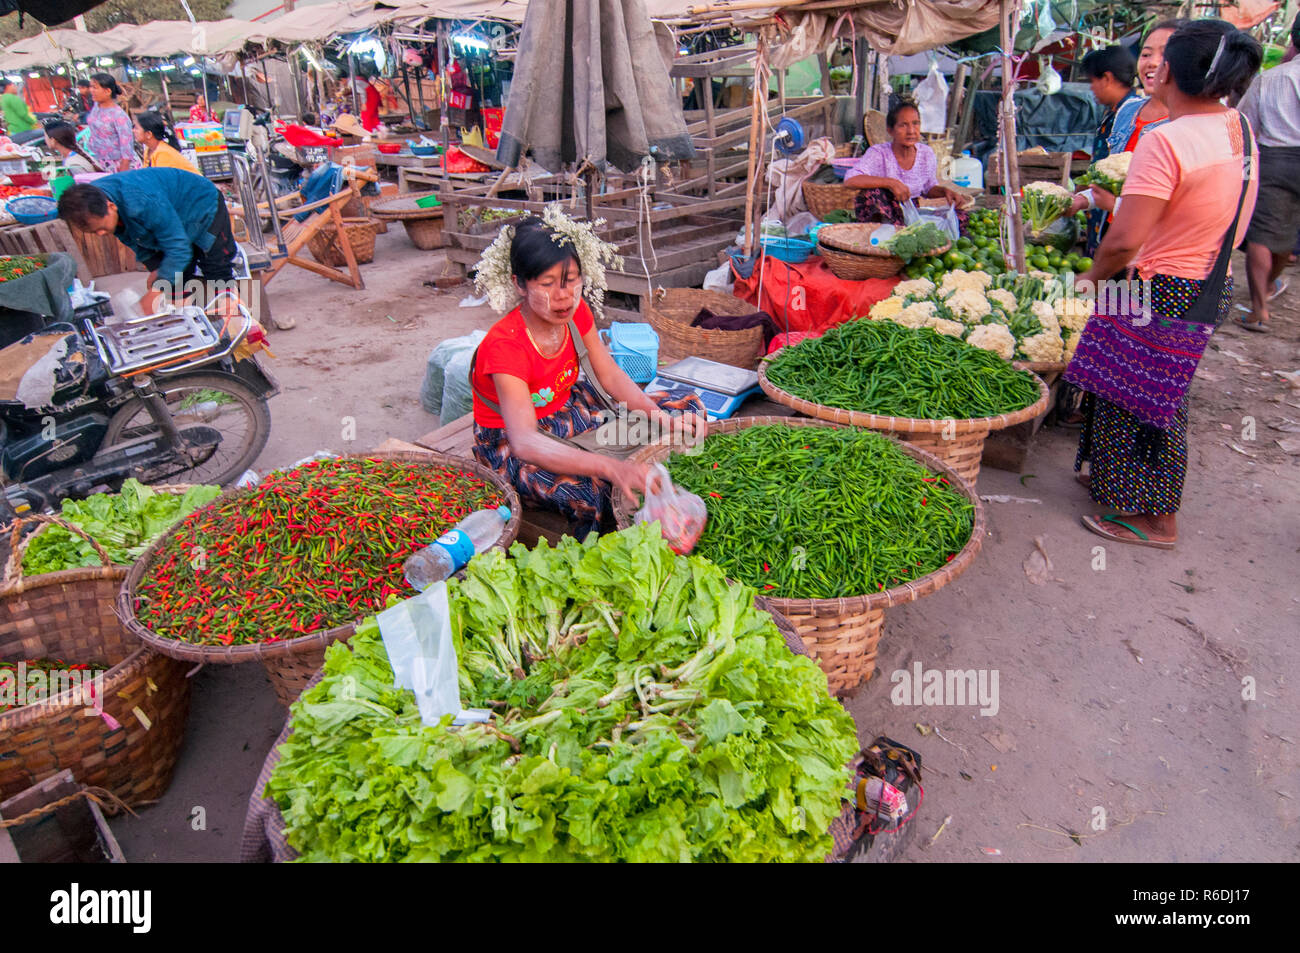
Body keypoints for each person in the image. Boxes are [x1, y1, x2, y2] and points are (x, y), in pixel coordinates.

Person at [1073, 19, 1261, 550]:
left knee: (1150, 400)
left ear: (1176, 68)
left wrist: (1089, 279)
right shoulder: (1237, 127)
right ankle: (1113, 479)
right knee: (1118, 382)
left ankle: (1156, 519)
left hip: (1162, 283)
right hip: (1208, 281)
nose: (1151, 65)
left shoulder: (1168, 139)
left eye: (1160, 56)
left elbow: (1125, 239)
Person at [471, 217, 707, 538]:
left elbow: (608, 374)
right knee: (591, 491)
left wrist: (661, 418)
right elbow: (525, 441)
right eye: (547, 283)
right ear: (520, 284)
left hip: (571, 409)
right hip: (515, 441)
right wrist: (610, 466)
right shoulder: (507, 345)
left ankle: (653, 476)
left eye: (571, 279)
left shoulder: (577, 311)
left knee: (686, 412)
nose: (563, 295)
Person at [57, 168, 237, 315]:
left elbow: (179, 248)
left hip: (201, 204)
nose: (101, 234)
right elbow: (134, 239)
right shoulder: (93, 201)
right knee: (175, 279)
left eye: (101, 228)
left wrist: (156, 290)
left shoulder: (141, 203)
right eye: (94, 232)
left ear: (111, 207)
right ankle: (189, 325)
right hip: (169, 214)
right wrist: (155, 267)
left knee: (217, 269)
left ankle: (238, 328)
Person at [1235, 14, 1300, 332]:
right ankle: (1272, 285)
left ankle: (1260, 307)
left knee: (1263, 233)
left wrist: (1243, 173)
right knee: (1288, 232)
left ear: (1293, 39)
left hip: (1274, 159)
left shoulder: (1270, 78)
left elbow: (1244, 125)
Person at [844, 101, 965, 227]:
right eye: (903, 125)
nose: (911, 131)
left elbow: (928, 188)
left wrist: (945, 192)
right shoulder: (879, 153)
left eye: (915, 123)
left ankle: (907, 229)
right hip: (884, 213)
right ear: (890, 130)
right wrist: (891, 183)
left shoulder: (926, 153)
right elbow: (850, 180)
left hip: (911, 211)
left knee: (961, 217)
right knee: (871, 194)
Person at [1076, 45, 1140, 255]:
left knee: (1114, 285)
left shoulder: (1133, 117)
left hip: (1119, 224)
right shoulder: (1112, 112)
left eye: (1092, 81)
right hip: (1101, 216)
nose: (1091, 88)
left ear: (1107, 78)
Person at [85, 73, 138, 173]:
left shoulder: (119, 115)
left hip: (119, 163)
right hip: (103, 161)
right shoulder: (96, 107)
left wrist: (124, 167)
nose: (91, 90)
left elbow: (126, 143)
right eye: (91, 87)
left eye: (95, 87)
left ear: (107, 91)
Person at [134, 111, 200, 174]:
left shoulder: (163, 153)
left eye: (136, 128)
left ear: (149, 134)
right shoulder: (148, 150)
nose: (133, 131)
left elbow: (163, 182)